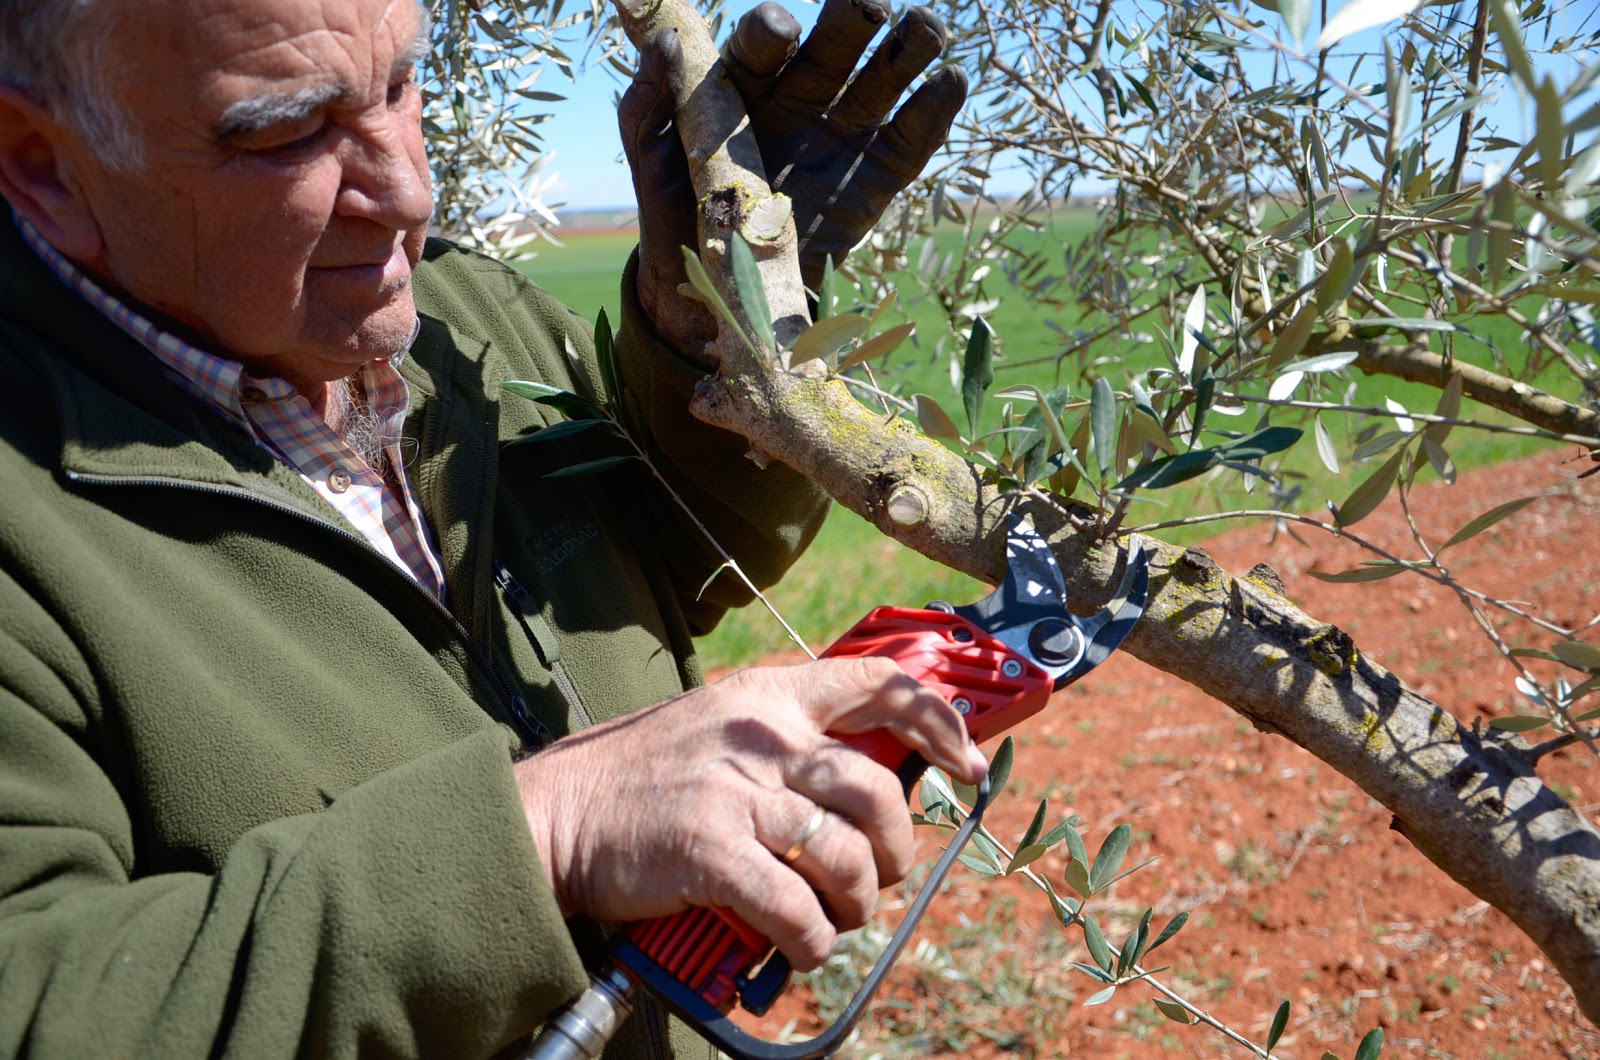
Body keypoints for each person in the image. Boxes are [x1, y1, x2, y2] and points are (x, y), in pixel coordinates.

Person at [0, 0, 981, 1056]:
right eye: (288, 133)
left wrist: (719, 338)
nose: (407, 191)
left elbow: (675, 560)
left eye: (399, 85)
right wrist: (546, 832)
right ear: (44, 163)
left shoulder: (460, 315)